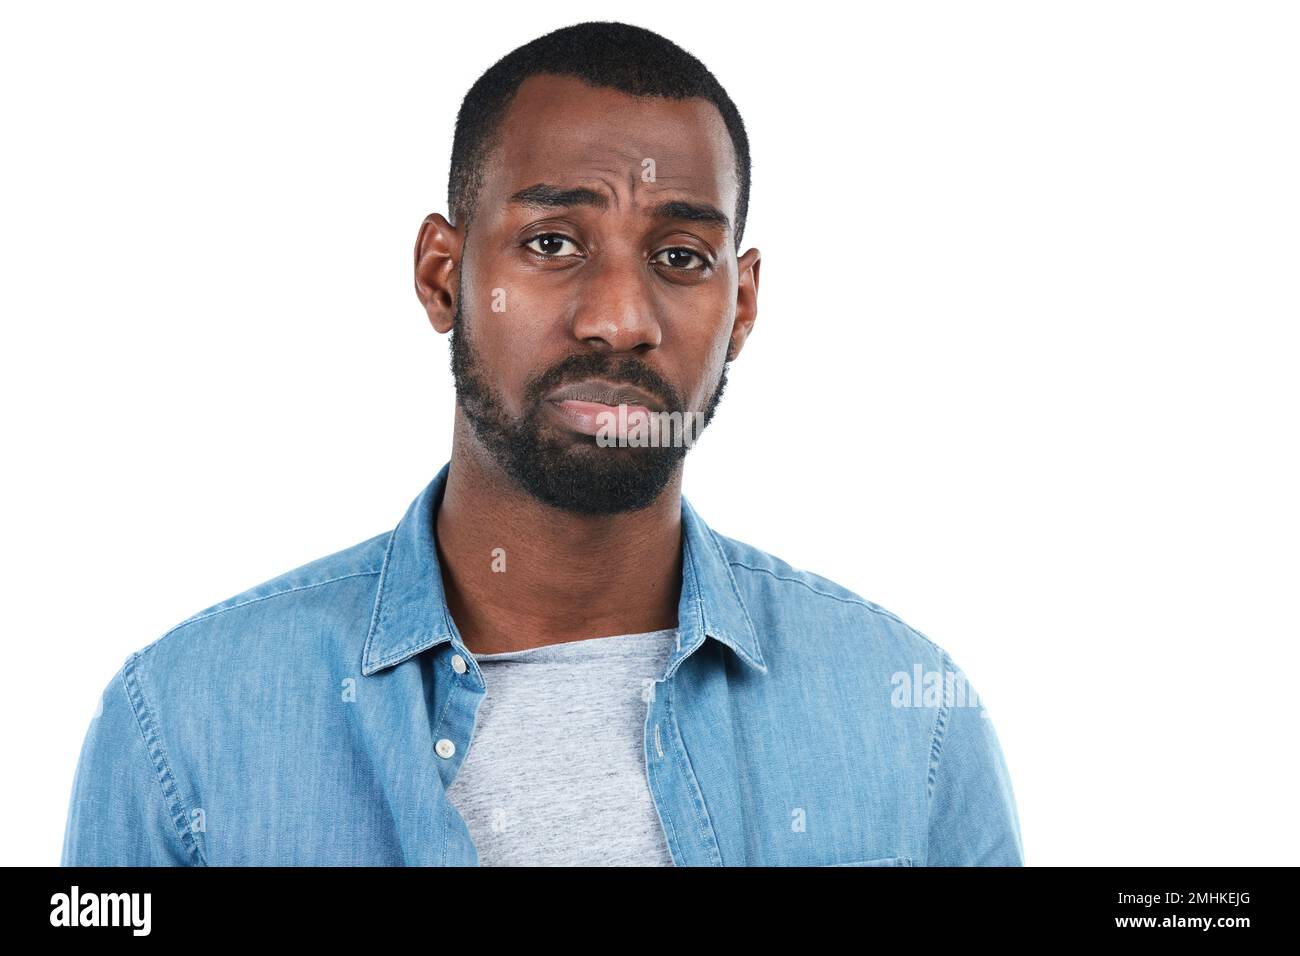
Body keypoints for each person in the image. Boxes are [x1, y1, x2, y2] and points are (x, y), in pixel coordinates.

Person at [61, 20, 1023, 866]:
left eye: (681, 257)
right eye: (554, 243)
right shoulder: (182, 726)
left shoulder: (914, 725)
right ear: (443, 276)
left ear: (743, 304)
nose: (618, 319)